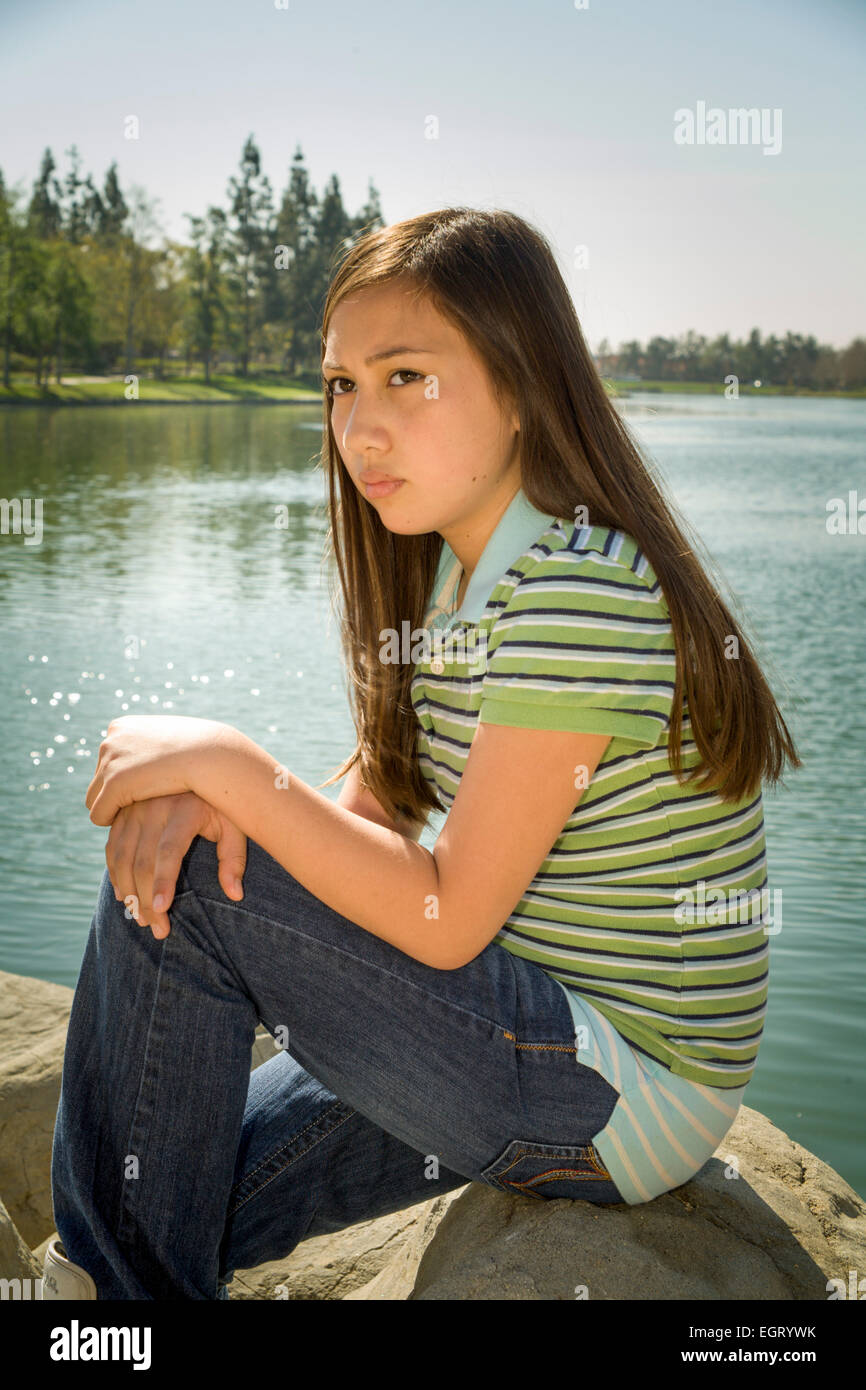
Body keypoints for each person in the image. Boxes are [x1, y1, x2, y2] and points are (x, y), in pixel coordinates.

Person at [48, 206, 801, 1300]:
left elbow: (446, 918)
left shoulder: (577, 587)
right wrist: (218, 802)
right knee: (167, 1192)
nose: (360, 428)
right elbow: (367, 812)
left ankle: (101, 1315)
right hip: (521, 1028)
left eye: (406, 376)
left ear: (521, 381)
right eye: (340, 384)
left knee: (193, 881)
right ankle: (108, 1293)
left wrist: (223, 764)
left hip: (613, 1086)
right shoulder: (456, 578)